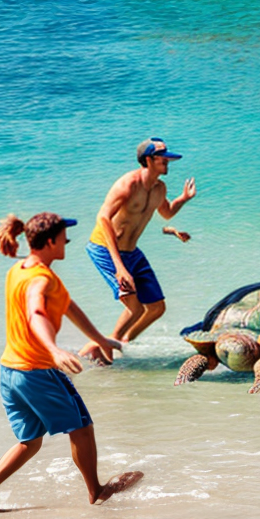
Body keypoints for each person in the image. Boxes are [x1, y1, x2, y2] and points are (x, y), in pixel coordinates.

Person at [0, 212, 143, 512]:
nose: (67, 240)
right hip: (37, 372)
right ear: (50, 241)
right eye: (63, 236)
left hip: (10, 372)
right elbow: (35, 312)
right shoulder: (40, 279)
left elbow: (69, 308)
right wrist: (53, 349)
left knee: (31, 441)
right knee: (82, 428)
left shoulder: (19, 270)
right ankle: (97, 492)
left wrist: (101, 339)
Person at [80, 138, 196, 358]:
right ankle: (100, 350)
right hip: (105, 250)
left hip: (131, 252)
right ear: (148, 160)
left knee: (156, 308)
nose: (168, 161)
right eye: (163, 157)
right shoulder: (127, 185)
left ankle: (120, 342)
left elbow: (167, 212)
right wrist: (119, 268)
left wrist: (183, 198)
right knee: (135, 308)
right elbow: (103, 218)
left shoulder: (159, 188)